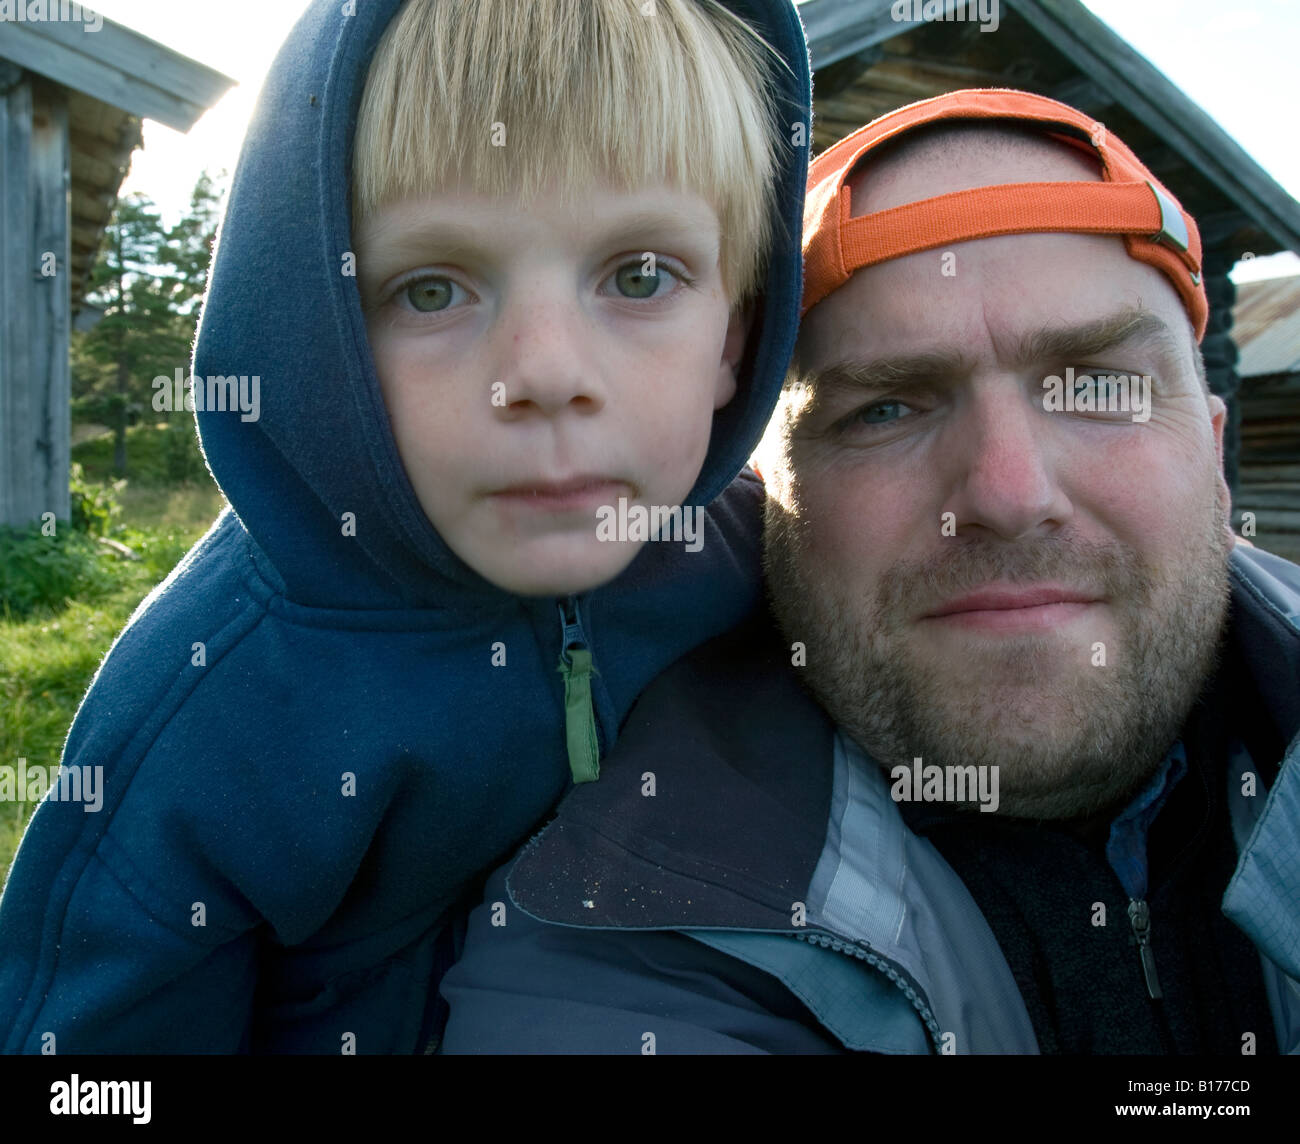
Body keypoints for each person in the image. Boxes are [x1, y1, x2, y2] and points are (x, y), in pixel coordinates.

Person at [0, 0, 812, 1053]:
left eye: (640, 275)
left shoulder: (763, 567)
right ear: (315, 332)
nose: (546, 373)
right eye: (432, 289)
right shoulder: (213, 713)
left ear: (733, 341)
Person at [437, 89, 1300, 1055]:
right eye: (885, 409)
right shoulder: (621, 937)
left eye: (1096, 387)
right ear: (770, 500)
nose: (1009, 493)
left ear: (1217, 458)